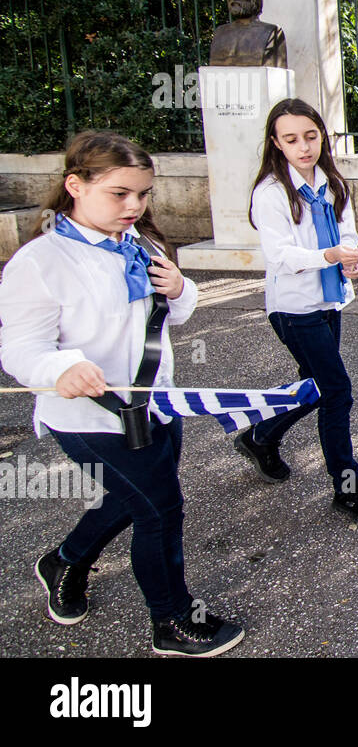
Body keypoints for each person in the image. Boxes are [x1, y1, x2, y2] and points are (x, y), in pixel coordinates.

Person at [0, 131, 244, 656]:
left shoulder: (141, 244)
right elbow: (19, 347)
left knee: (133, 500)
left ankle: (64, 560)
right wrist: (59, 365)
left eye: (143, 193)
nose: (134, 205)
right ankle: (172, 622)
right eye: (119, 193)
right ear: (75, 186)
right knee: (159, 510)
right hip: (87, 419)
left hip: (155, 405)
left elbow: (169, 317)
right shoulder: (41, 261)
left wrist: (182, 289)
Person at [240, 98, 358, 525]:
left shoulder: (334, 183)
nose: (303, 146)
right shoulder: (271, 193)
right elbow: (282, 255)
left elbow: (346, 235)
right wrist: (330, 254)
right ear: (276, 143)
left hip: (330, 300)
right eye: (291, 139)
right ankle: (347, 489)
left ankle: (262, 435)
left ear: (322, 135)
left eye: (310, 135)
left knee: (318, 386)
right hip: (294, 308)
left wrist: (351, 261)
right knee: (336, 391)